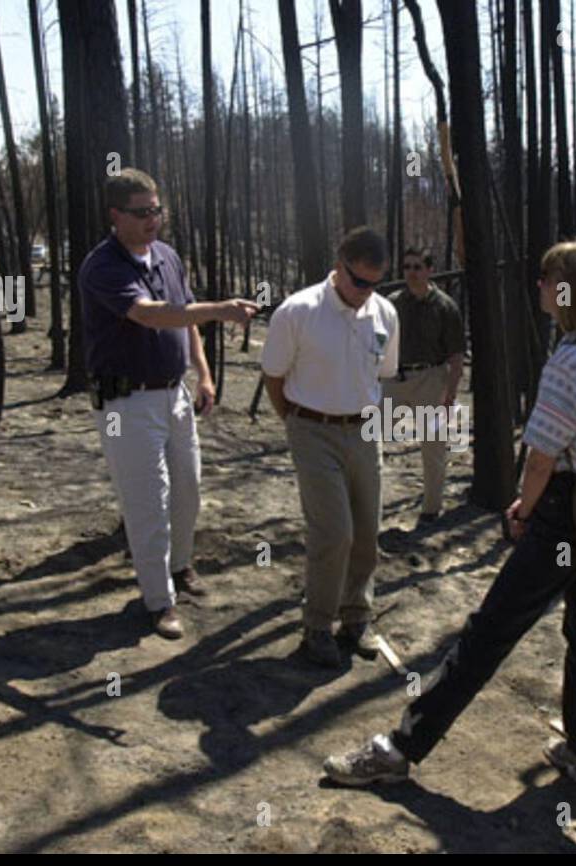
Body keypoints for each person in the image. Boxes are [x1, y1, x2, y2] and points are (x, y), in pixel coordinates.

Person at [323, 240, 576, 787]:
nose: (539, 286)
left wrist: (523, 510)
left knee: (486, 634)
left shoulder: (570, 359)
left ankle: (399, 749)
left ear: (570, 291)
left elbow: (541, 460)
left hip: (563, 512)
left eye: (548, 278)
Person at [79, 168, 256, 639]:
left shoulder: (168, 257)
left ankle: (179, 567)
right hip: (126, 404)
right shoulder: (103, 266)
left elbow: (184, 317)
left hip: (173, 394)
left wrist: (205, 372)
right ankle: (158, 602)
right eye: (142, 212)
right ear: (116, 215)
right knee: (147, 503)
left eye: (157, 209)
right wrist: (221, 309)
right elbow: (151, 315)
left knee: (187, 489)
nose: (153, 220)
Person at [260, 227, 400, 667]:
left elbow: (384, 373)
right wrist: (298, 424)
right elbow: (274, 377)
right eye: (358, 281)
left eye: (374, 283)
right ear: (339, 266)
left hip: (363, 431)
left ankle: (356, 617)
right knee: (333, 532)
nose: (364, 292)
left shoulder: (385, 314)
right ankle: (317, 626)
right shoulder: (297, 311)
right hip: (311, 428)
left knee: (365, 533)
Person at [382, 247, 465, 524]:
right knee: (368, 438)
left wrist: (450, 392)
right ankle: (364, 504)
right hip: (393, 380)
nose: (412, 272)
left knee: (433, 447)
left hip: (430, 379)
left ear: (429, 270)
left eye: (418, 266)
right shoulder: (391, 304)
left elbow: (456, 354)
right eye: (407, 267)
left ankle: (431, 509)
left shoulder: (445, 306)